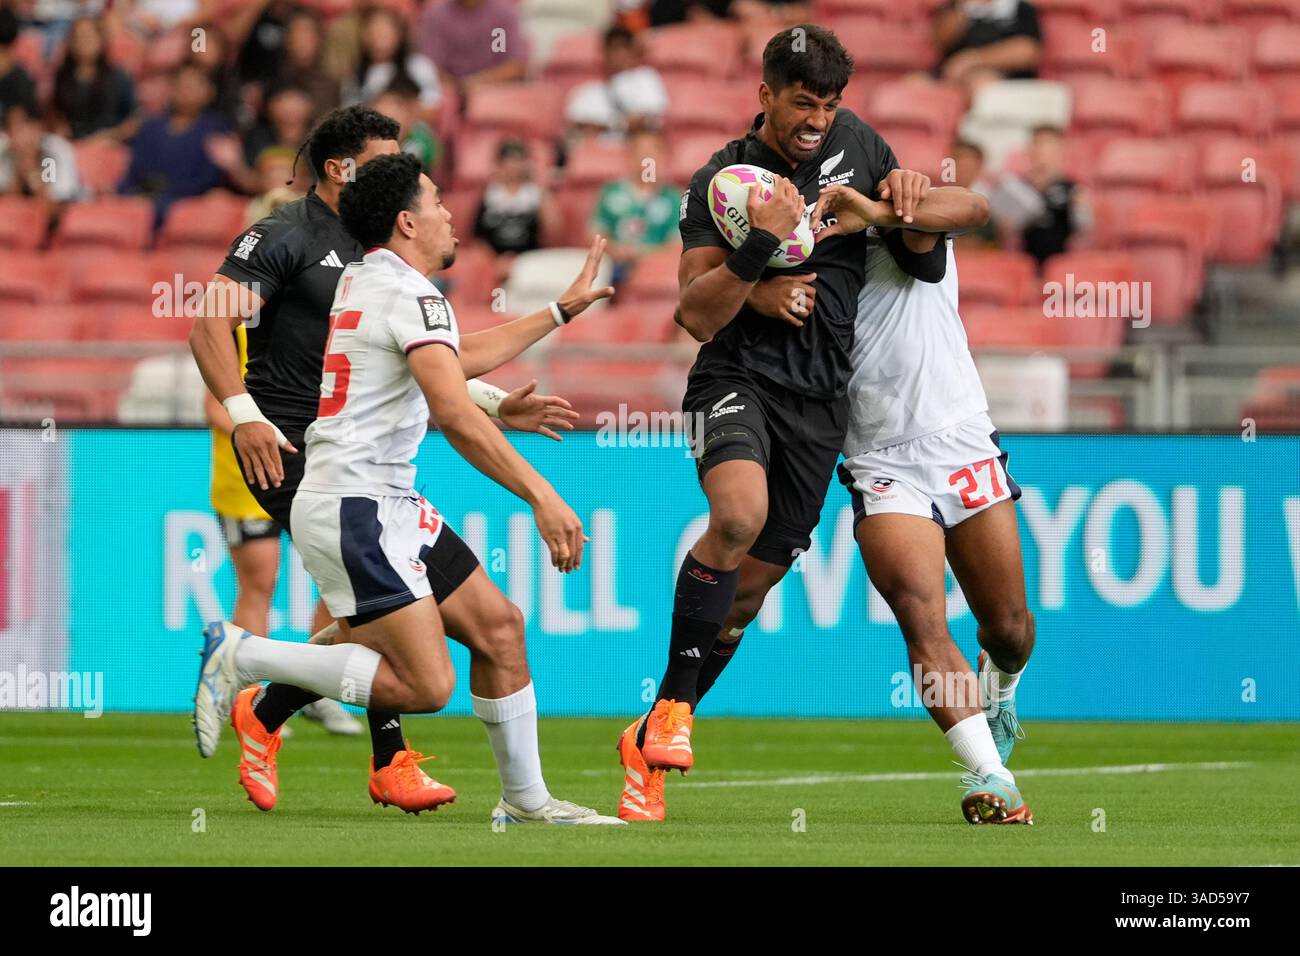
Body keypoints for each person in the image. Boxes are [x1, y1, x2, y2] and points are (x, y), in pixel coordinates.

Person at [195, 152, 624, 825]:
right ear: (406, 221)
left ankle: (527, 799)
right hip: (352, 506)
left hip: (384, 503)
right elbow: (451, 410)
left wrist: (557, 311)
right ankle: (244, 656)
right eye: (437, 202)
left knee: (501, 629)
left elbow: (450, 358)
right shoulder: (405, 293)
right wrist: (543, 496)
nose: (452, 214)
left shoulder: (373, 281)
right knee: (426, 685)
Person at [613, 24, 925, 820]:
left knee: (746, 602)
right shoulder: (719, 180)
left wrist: (911, 203)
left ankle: (650, 732)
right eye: (800, 102)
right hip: (738, 377)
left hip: (823, 401)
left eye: (827, 103)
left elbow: (928, 241)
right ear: (765, 95)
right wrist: (758, 253)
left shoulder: (860, 147)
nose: (816, 120)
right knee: (738, 515)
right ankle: (676, 713)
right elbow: (692, 311)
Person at [811, 181, 1035, 823]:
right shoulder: (802, 240)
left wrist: (877, 209)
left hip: (960, 439)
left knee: (1010, 627)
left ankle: (1001, 689)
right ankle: (988, 774)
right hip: (879, 461)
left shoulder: (906, 212)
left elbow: (978, 208)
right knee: (919, 614)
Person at [203, 324, 363, 738]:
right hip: (245, 482)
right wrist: (259, 433)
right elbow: (214, 407)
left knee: (337, 580)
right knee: (260, 583)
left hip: (306, 476)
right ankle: (249, 696)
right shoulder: (235, 331)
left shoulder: (314, 328)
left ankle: (314, 689)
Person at [118, 62, 229, 224]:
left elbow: (208, 178)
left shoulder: (216, 130)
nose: (185, 91)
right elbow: (134, 170)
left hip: (188, 201)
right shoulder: (150, 126)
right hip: (144, 196)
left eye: (192, 86)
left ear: (209, 92)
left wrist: (168, 196)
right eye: (180, 85)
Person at [590, 129, 681, 286]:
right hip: (612, 267)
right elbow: (594, 234)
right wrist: (615, 250)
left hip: (655, 271)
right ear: (629, 157)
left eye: (654, 152)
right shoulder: (611, 192)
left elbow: (676, 245)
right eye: (641, 152)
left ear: (664, 157)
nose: (647, 159)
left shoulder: (673, 198)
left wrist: (642, 254)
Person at [564, 25, 667, 141]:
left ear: (634, 52)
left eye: (625, 48)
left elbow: (645, 120)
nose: (620, 55)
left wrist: (609, 126)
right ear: (604, 52)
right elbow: (581, 127)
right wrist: (622, 125)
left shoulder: (646, 78)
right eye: (614, 49)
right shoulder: (587, 91)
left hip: (634, 146)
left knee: (646, 140)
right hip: (597, 149)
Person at [1011, 125, 1090, 266]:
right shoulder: (1017, 187)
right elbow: (1009, 231)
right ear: (1030, 150)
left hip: (1061, 264)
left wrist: (1080, 207)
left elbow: (1084, 229)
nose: (1042, 151)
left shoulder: (1073, 189)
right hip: (1023, 263)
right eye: (1038, 144)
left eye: (1049, 144)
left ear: (1060, 150)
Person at [50, 15, 137, 141]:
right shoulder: (63, 76)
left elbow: (133, 120)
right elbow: (59, 115)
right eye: (78, 37)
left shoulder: (118, 77)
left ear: (101, 40)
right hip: (73, 143)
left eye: (88, 36)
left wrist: (112, 135)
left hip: (107, 143)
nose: (83, 42)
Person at [932, 0, 1042, 96]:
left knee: (982, 82)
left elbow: (1027, 52)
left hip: (1003, 81)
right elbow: (939, 41)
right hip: (952, 80)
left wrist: (971, 60)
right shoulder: (955, 9)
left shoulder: (1020, 9)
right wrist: (962, 9)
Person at [419, 0, 527, 96]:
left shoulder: (504, 11)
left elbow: (516, 65)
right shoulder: (435, 14)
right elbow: (429, 67)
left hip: (498, 93)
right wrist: (459, 88)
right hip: (451, 97)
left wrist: (476, 83)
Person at [472, 139, 552, 257]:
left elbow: (552, 230)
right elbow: (478, 239)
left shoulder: (534, 194)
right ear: (499, 164)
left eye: (519, 161)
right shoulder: (489, 195)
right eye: (509, 161)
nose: (514, 166)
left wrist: (539, 185)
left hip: (530, 258)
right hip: (496, 260)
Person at [0, 103, 80, 203]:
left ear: (39, 128)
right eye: (17, 129)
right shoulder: (3, 150)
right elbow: (7, 201)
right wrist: (19, 170)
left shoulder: (55, 150)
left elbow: (56, 206)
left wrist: (32, 171)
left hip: (69, 209)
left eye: (30, 128)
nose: (26, 137)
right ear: (8, 133)